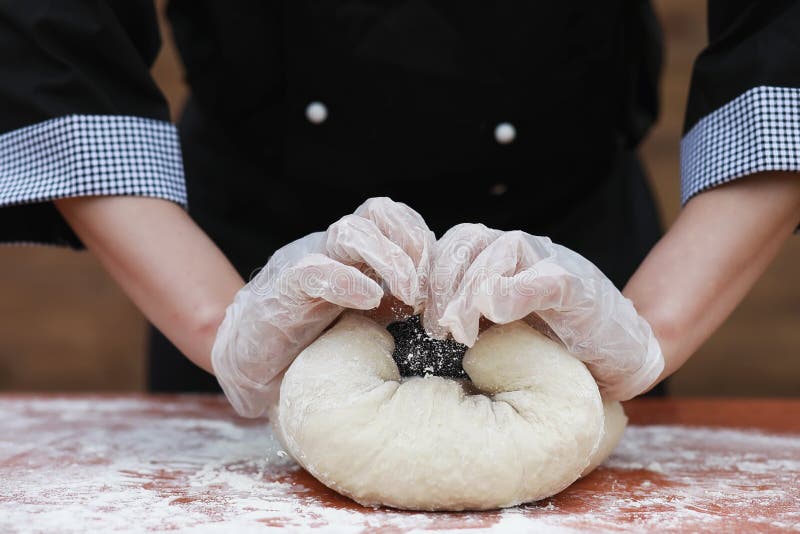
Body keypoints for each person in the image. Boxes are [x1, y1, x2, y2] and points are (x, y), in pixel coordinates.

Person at [1, 1, 798, 417]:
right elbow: (53, 36)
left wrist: (651, 328)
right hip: (243, 267)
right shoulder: (234, 312)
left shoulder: (603, 308)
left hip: (573, 281)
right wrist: (220, 324)